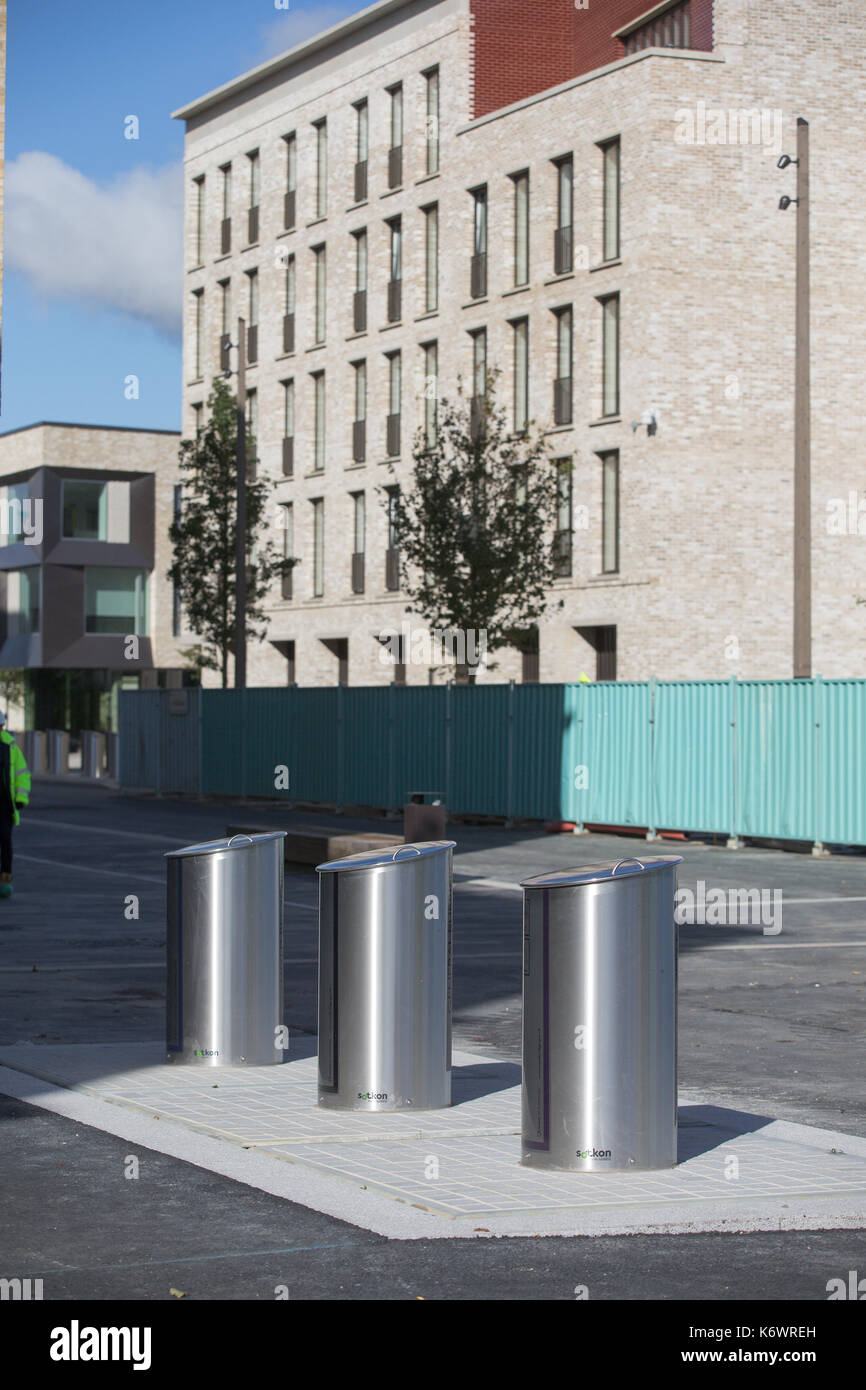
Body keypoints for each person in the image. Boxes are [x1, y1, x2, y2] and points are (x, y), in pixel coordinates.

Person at [0, 712, 30, 898]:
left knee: (5, 842)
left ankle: (5, 880)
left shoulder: (9, 747)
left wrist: (21, 798)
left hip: (4, 804)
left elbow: (22, 775)